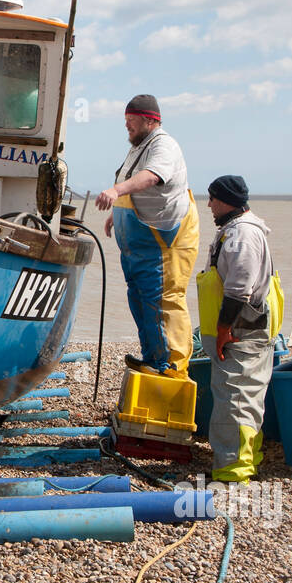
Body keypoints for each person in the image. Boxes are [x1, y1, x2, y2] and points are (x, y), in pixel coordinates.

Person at [95, 94, 198, 375]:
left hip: (163, 243)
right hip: (139, 242)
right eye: (125, 119)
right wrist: (116, 215)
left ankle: (168, 365)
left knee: (159, 300)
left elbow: (151, 177)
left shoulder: (164, 145)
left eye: (132, 120)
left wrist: (116, 192)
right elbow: (138, 188)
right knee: (138, 296)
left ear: (150, 121)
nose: (126, 125)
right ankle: (151, 357)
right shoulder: (139, 146)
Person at [196, 175, 284, 483]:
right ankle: (246, 460)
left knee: (235, 400)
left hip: (240, 333)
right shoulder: (238, 231)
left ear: (227, 201)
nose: (208, 204)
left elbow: (238, 289)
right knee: (247, 397)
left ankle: (233, 472)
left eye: (213, 199)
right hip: (246, 331)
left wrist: (223, 330)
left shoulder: (241, 235)